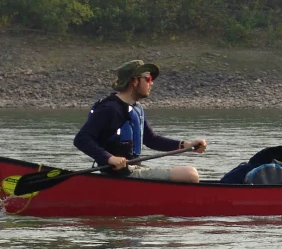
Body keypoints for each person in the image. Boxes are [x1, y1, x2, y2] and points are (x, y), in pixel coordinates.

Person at [73, 60, 208, 182]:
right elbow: (81, 139)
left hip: (131, 170)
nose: (151, 83)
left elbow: (151, 139)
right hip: (118, 174)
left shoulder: (136, 108)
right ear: (135, 81)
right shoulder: (110, 108)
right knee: (190, 174)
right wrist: (109, 158)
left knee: (189, 173)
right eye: (148, 78)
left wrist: (187, 145)